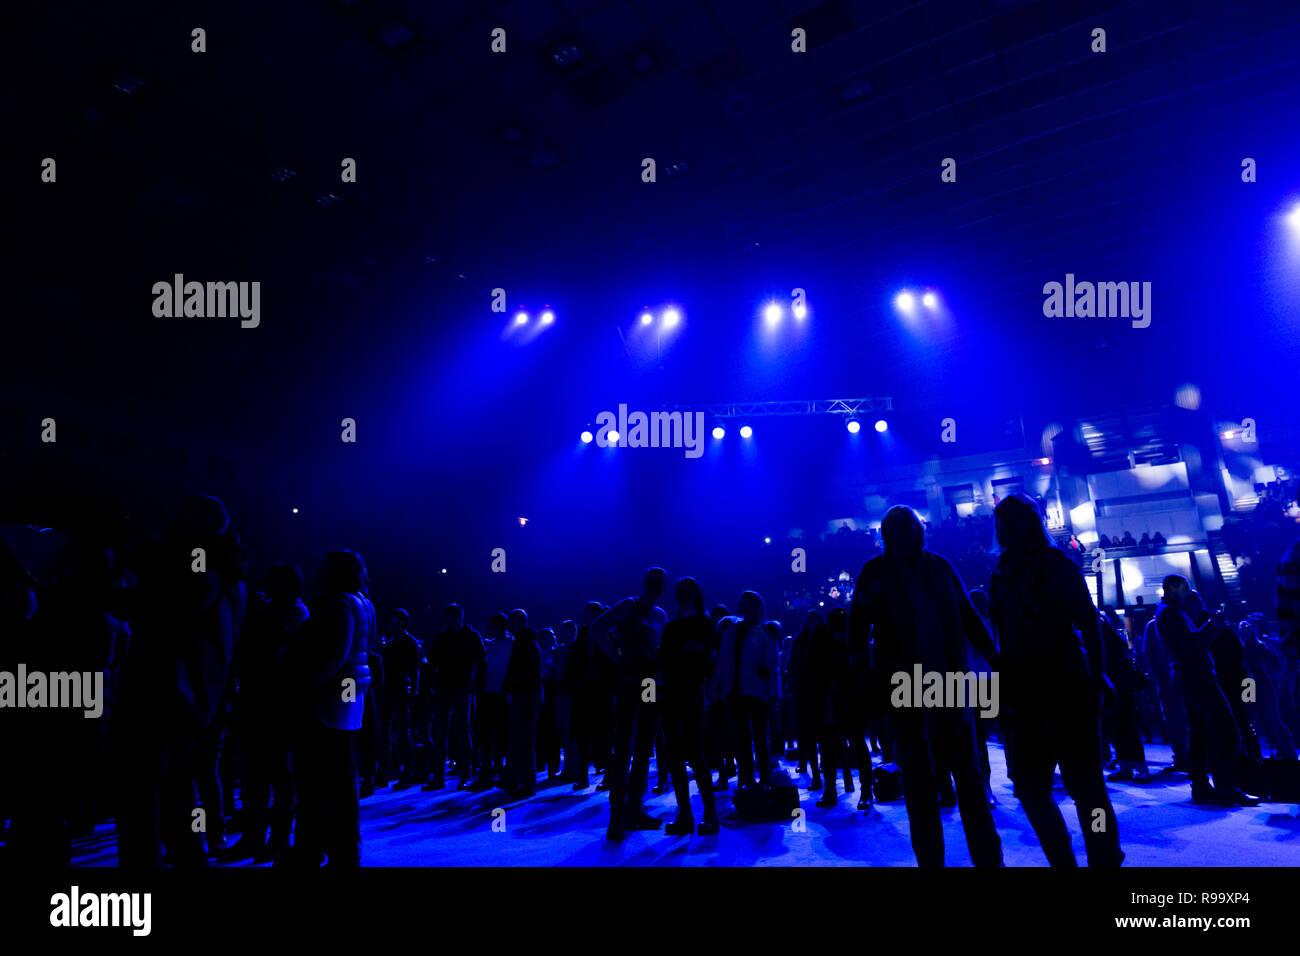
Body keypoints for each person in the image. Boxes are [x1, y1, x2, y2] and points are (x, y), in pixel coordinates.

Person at [851, 506, 1003, 867]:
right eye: (898, 529)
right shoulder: (878, 572)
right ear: (888, 535)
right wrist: (865, 682)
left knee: (965, 778)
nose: (905, 534)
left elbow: (968, 615)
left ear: (917, 531)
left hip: (947, 683)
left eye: (909, 528)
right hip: (910, 685)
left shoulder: (938, 567)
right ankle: (937, 862)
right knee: (923, 783)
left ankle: (988, 861)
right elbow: (856, 635)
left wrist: (995, 658)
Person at [988, 494, 1122, 867]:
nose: (1007, 526)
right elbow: (1003, 635)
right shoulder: (1001, 571)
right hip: (1025, 691)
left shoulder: (1054, 563)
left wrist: (1098, 675)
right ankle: (1065, 861)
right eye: (1002, 520)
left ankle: (1104, 857)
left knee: (1086, 786)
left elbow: (1087, 620)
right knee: (1031, 789)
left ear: (1032, 521)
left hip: (1066, 684)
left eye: (1015, 518)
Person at [281, 549, 374, 867]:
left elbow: (334, 654)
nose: (318, 571)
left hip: (326, 700)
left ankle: (314, 848)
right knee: (340, 778)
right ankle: (343, 847)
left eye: (325, 567)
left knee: (314, 780)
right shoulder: (363, 603)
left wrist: (305, 685)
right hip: (349, 701)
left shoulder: (338, 603)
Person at [222, 564, 308, 863]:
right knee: (253, 776)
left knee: (277, 775)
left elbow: (289, 658)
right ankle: (254, 836)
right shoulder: (264, 608)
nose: (268, 584)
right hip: (254, 699)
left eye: (274, 581)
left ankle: (278, 838)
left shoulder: (296, 614)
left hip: (276, 703)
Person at [590, 568, 668, 841]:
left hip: (647, 681)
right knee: (626, 745)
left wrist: (616, 656)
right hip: (634, 680)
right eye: (655, 582)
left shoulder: (659, 615)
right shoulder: (629, 606)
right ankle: (619, 814)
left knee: (642, 744)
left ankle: (631, 808)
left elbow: (599, 629)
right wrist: (616, 656)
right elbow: (597, 628)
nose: (657, 586)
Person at [657, 577, 719, 835]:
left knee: (692, 753)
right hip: (680, 692)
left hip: (688, 691)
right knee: (680, 755)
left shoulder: (700, 624)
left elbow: (698, 658)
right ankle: (692, 815)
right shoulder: (681, 627)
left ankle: (704, 815)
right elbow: (678, 659)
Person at [711, 591, 780, 792]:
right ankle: (746, 781)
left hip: (758, 693)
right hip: (734, 692)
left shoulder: (767, 632)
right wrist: (715, 686)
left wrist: (774, 695)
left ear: (757, 607)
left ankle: (765, 781)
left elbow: (773, 665)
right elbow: (723, 662)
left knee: (760, 740)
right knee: (741, 740)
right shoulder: (731, 631)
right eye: (743, 604)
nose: (745, 607)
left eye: (749, 604)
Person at [424, 604, 487, 790]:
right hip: (446, 688)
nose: (446, 621)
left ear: (458, 617)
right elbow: (431, 663)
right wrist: (429, 686)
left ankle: (463, 774)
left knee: (460, 730)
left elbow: (483, 661)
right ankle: (440, 777)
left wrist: (475, 684)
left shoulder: (469, 636)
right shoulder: (444, 636)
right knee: (444, 731)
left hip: (460, 689)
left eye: (449, 617)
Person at [375, 609, 421, 788]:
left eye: (393, 619)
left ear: (401, 622)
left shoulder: (410, 643)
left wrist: (414, 692)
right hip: (387, 691)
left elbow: (415, 670)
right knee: (384, 735)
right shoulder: (392, 644)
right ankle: (384, 773)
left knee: (401, 734)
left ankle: (406, 773)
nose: (389, 622)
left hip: (401, 692)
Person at [502, 610, 542, 798]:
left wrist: (510, 682)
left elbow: (529, 671)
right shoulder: (525, 641)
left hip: (526, 694)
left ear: (518, 622)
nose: (508, 625)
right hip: (524, 693)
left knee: (524, 739)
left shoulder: (526, 642)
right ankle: (515, 779)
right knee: (519, 738)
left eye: (511, 621)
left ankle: (527, 783)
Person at [471, 613, 513, 790]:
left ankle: (500, 770)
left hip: (504, 694)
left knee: (503, 735)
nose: (488, 628)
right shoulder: (489, 645)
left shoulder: (513, 643)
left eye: (491, 625)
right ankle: (486, 773)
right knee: (486, 734)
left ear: (499, 626)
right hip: (488, 693)